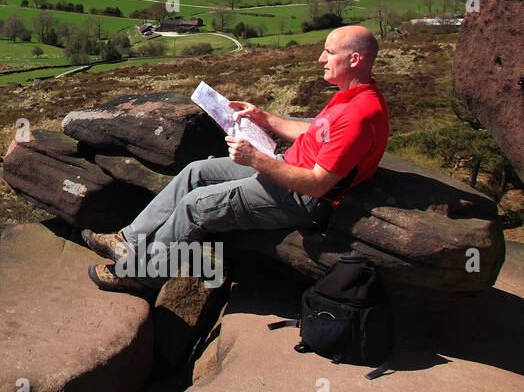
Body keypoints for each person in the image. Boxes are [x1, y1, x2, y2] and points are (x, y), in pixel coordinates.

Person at [83, 25, 390, 295]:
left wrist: (255, 159)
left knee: (196, 206)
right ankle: (129, 241)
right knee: (195, 172)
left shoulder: (359, 114)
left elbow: (318, 185)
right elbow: (316, 131)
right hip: (285, 166)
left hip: (297, 197)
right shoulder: (350, 94)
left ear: (354, 59)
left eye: (329, 52)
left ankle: (143, 276)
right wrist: (264, 118)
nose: (321, 59)